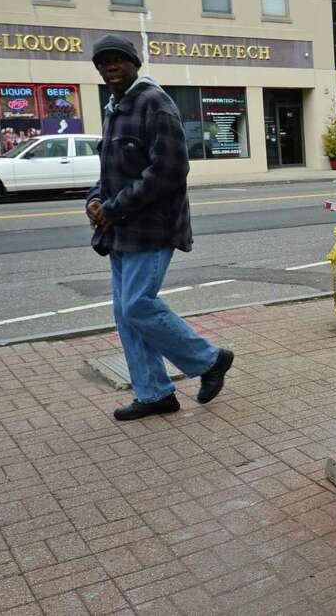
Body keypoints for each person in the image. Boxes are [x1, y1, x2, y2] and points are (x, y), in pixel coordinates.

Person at [86, 33, 233, 421]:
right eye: (103, 61)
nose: (110, 66)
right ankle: (154, 394)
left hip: (152, 226)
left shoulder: (155, 103)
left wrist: (113, 207)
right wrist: (95, 199)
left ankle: (210, 360)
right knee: (126, 313)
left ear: (134, 63)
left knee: (137, 304)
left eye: (118, 59)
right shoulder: (115, 107)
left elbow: (169, 170)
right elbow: (110, 169)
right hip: (119, 228)